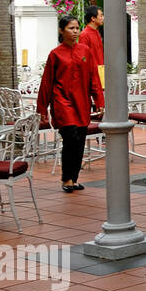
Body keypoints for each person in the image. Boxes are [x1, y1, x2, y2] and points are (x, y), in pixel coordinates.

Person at [37, 15, 104, 194]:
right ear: (61, 31)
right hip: (62, 101)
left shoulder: (85, 51)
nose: (75, 32)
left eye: (76, 28)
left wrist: (99, 101)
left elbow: (93, 78)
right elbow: (47, 82)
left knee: (80, 139)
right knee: (71, 137)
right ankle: (67, 178)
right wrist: (42, 108)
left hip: (81, 102)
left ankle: (74, 178)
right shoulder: (55, 54)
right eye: (71, 28)